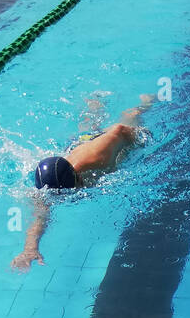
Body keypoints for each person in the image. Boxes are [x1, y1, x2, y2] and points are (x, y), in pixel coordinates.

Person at [11, 94, 156, 272]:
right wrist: (30, 249)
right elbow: (40, 215)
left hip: (108, 139)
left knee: (131, 117)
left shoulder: (98, 157)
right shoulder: (45, 188)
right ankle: (95, 101)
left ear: (78, 178)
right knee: (86, 129)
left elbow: (120, 129)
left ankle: (146, 101)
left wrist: (141, 142)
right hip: (77, 144)